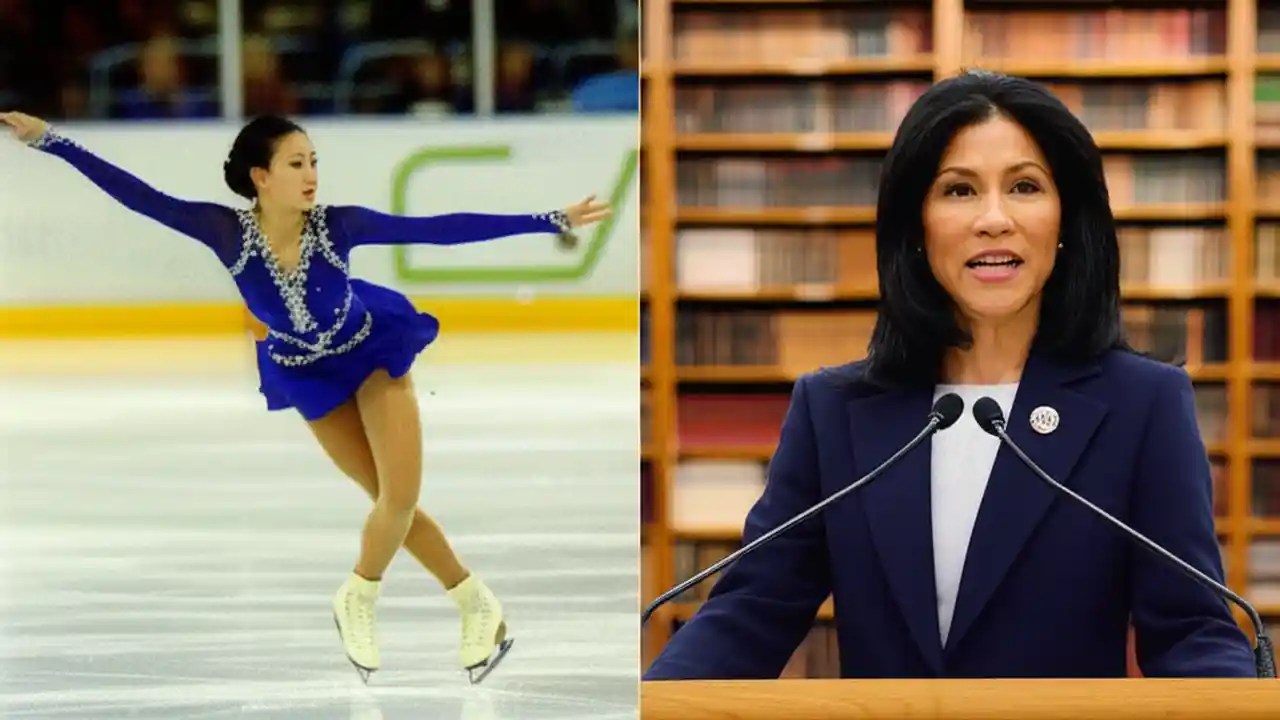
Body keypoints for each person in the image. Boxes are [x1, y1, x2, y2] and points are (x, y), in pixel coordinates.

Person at [642, 71, 1256, 680]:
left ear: (1067, 221)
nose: (993, 219)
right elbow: (751, 611)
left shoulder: (1142, 405)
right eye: (959, 191)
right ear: (917, 227)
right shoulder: (833, 409)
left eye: (1024, 186)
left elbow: (1191, 631)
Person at [1, 110, 610, 685]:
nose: (312, 173)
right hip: (305, 372)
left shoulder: (338, 226)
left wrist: (545, 220)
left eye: (314, 160)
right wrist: (49, 139)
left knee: (398, 497)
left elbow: (436, 230)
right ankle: (477, 602)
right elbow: (139, 196)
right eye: (296, 163)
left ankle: (358, 594)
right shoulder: (224, 232)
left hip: (371, 351)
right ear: (260, 177)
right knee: (386, 503)